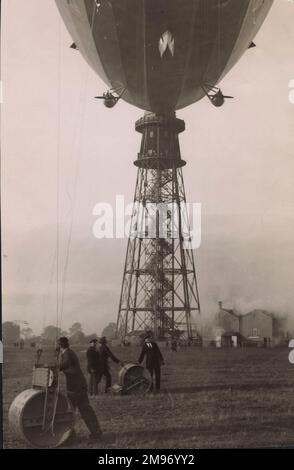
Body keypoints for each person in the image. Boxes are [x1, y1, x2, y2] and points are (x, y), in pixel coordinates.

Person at [57, 336, 102, 443]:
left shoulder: (67, 354)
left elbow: (66, 363)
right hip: (78, 385)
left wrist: (55, 367)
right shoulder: (68, 352)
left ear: (60, 346)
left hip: (75, 387)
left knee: (72, 411)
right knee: (85, 409)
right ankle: (96, 432)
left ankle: (69, 435)